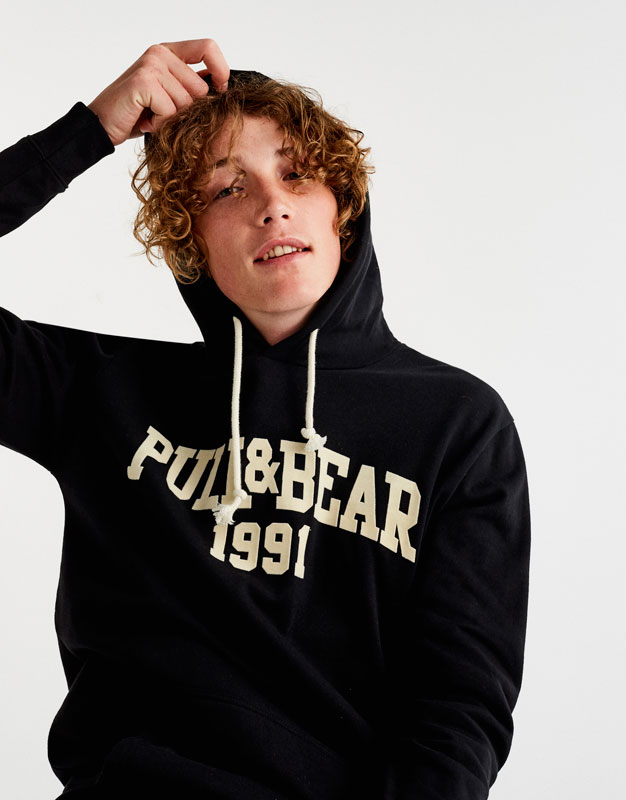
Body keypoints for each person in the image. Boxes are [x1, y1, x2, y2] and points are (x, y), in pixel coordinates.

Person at [0, 38, 531, 800]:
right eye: (227, 188)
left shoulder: (458, 426)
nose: (271, 204)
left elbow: (457, 714)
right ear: (189, 241)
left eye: (297, 174)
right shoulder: (98, 394)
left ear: (343, 207)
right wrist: (87, 132)